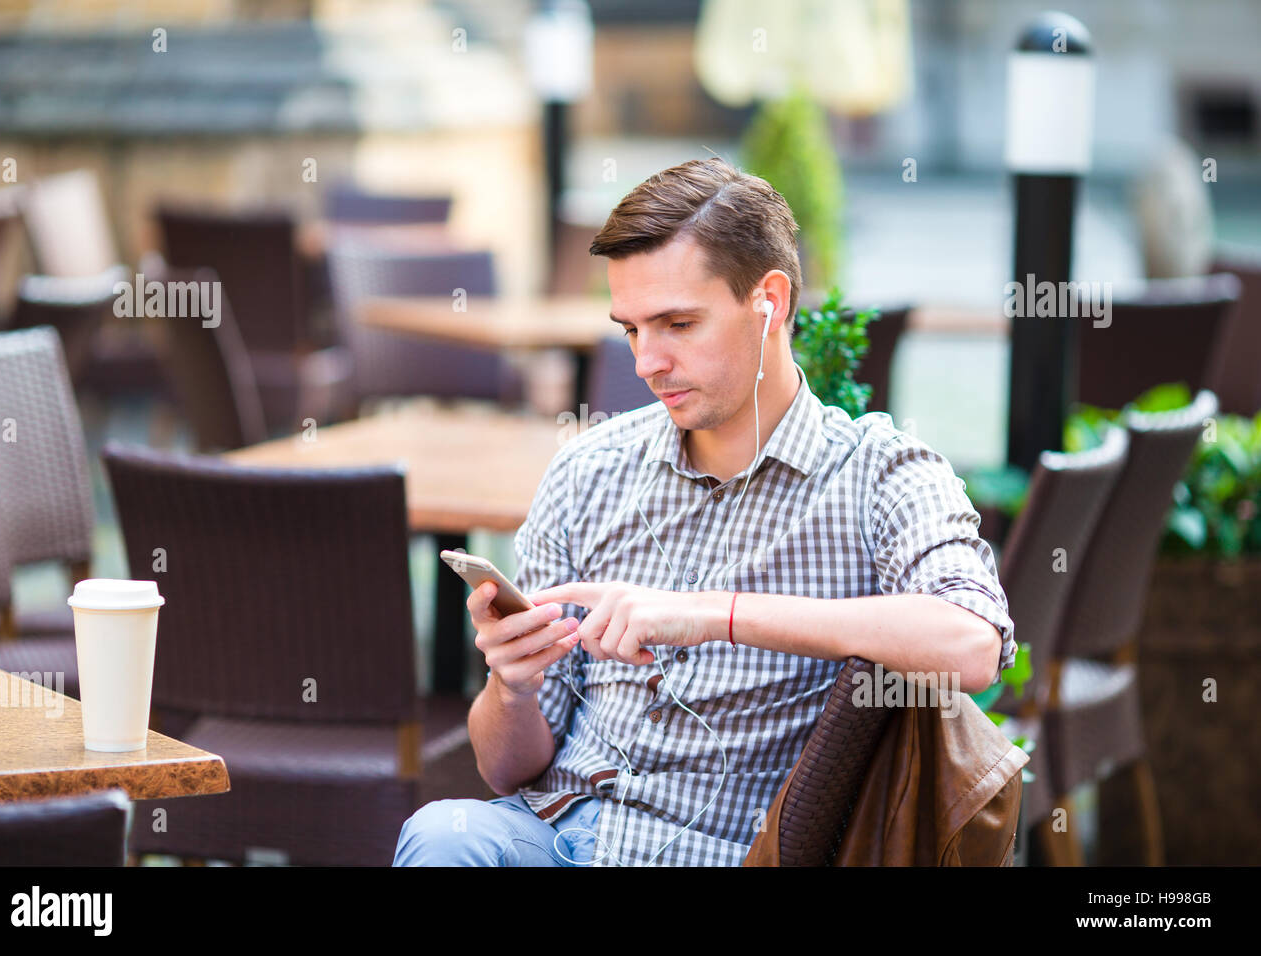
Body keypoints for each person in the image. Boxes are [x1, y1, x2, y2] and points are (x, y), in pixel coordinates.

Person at [393, 157, 1015, 867]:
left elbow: (974, 643)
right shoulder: (587, 471)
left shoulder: (877, 472)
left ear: (769, 302)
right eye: (629, 329)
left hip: (719, 851)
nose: (646, 362)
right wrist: (513, 684)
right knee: (443, 834)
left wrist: (713, 613)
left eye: (677, 323)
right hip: (558, 836)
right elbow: (507, 771)